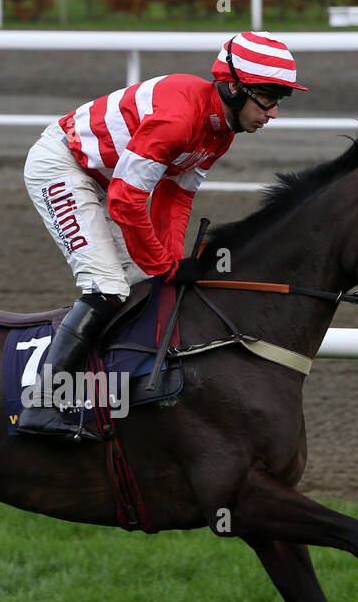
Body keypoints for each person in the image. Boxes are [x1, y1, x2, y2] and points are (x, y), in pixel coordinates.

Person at [17, 31, 307, 440]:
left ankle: (105, 391)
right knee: (107, 287)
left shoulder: (220, 130)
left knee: (142, 286)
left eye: (280, 100)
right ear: (233, 87)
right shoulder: (179, 118)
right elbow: (126, 202)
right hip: (63, 167)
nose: (273, 112)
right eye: (267, 97)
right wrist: (165, 265)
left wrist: (168, 264)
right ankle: (40, 404)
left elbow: (174, 197)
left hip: (108, 180)